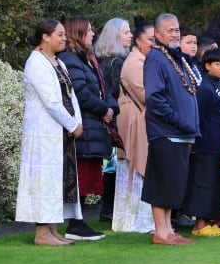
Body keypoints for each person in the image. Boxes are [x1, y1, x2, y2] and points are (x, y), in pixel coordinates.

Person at [15, 19, 84, 246]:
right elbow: (51, 102)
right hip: (43, 132)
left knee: (58, 178)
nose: (64, 38)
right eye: (60, 34)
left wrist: (77, 121)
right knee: (45, 178)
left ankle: (53, 229)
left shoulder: (58, 62)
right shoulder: (36, 63)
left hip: (61, 132)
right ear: (45, 36)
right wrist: (72, 125)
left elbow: (70, 94)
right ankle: (42, 232)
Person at [142, 13, 200, 245]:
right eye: (170, 30)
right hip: (166, 131)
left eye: (177, 30)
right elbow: (155, 98)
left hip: (181, 132)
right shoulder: (156, 58)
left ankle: (168, 228)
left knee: (174, 182)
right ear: (157, 34)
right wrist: (178, 120)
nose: (175, 34)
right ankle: (160, 231)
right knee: (163, 180)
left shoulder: (175, 57)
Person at [58, 17, 115, 241]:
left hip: (93, 125)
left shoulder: (88, 59)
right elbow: (80, 93)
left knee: (84, 175)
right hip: (84, 126)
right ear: (79, 33)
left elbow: (103, 87)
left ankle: (79, 223)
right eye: (89, 30)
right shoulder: (71, 59)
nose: (93, 33)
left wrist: (111, 107)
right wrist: (104, 109)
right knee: (78, 176)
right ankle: (75, 224)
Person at [113, 23, 156, 234]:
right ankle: (135, 222)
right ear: (139, 41)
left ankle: (140, 221)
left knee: (141, 167)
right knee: (136, 166)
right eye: (150, 39)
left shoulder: (145, 60)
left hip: (140, 117)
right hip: (134, 118)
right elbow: (148, 95)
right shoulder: (134, 62)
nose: (154, 43)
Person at [186, 48, 220, 238]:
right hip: (206, 144)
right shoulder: (204, 88)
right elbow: (198, 116)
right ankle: (199, 223)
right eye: (217, 64)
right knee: (203, 183)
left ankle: (213, 220)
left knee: (216, 184)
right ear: (207, 66)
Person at [94, 17, 133, 223]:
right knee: (115, 164)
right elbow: (121, 91)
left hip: (107, 116)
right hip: (117, 116)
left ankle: (107, 209)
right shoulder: (118, 62)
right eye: (126, 32)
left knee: (110, 164)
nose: (131, 35)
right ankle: (110, 209)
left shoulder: (101, 60)